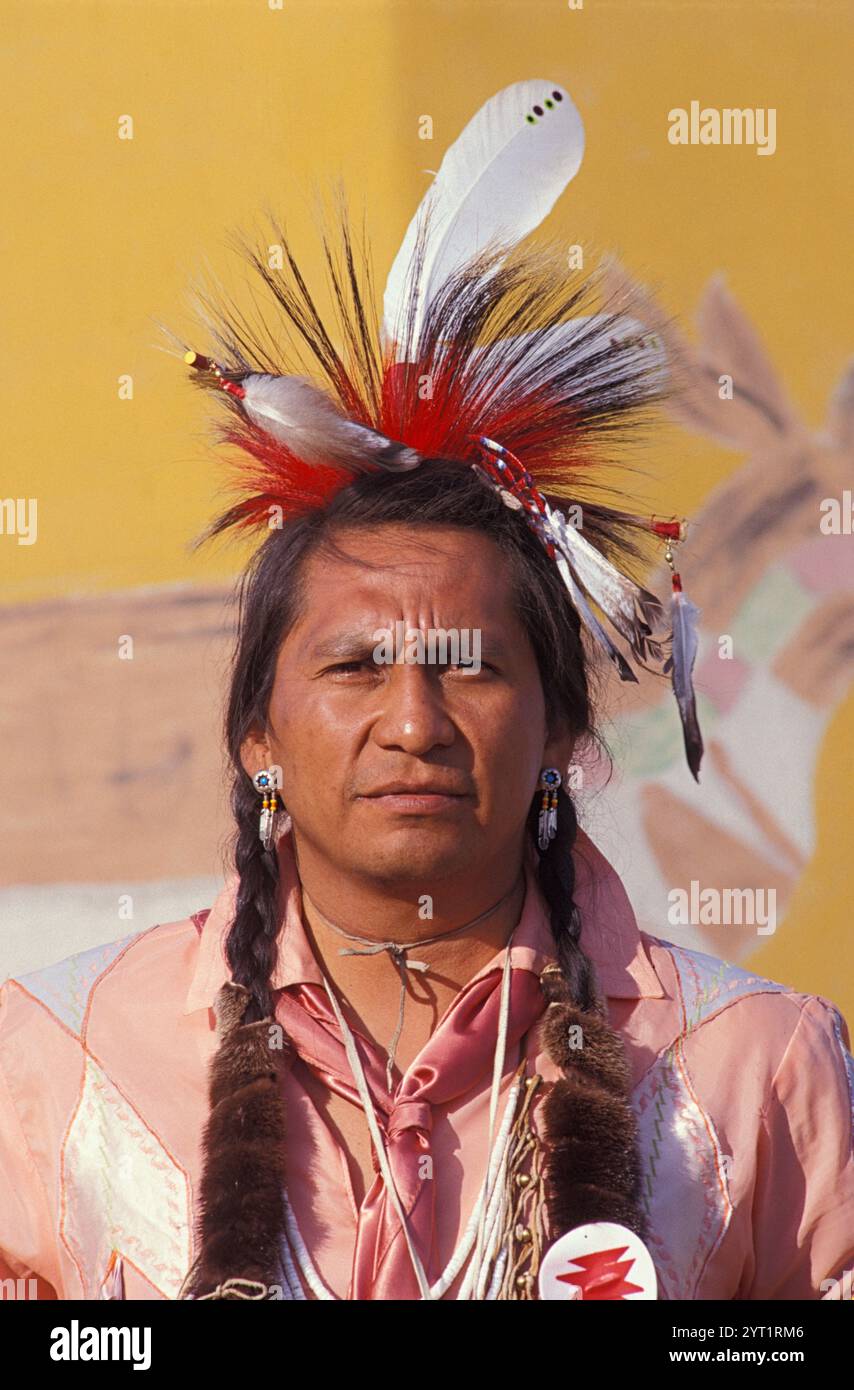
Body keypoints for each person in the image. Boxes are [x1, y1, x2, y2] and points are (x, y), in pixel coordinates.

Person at [1, 80, 852, 1301]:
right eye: (354, 666)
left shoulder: (750, 1063)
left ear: (560, 727)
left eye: (472, 667)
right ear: (258, 739)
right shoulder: (48, 1054)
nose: (412, 723)